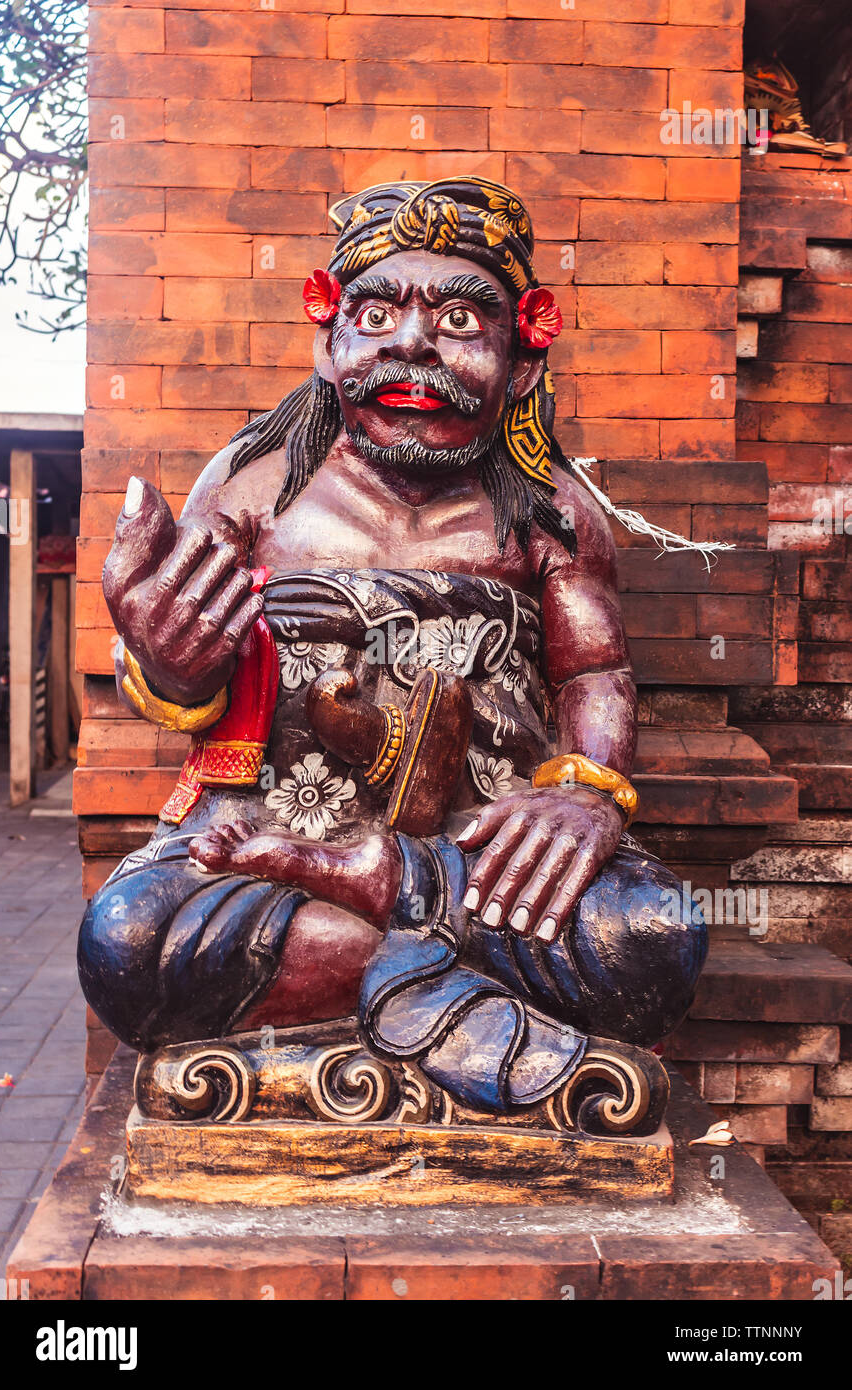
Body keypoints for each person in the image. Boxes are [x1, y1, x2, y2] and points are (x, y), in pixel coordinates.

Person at [78, 178, 706, 1116]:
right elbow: (187, 667)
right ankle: (442, 983)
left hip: (483, 853)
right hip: (273, 838)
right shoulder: (255, 486)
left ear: (523, 360)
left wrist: (584, 796)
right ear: (332, 347)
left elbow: (595, 673)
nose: (411, 344)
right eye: (375, 313)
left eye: (459, 319)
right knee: (127, 938)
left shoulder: (553, 513)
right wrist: (169, 661)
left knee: (654, 932)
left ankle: (378, 925)